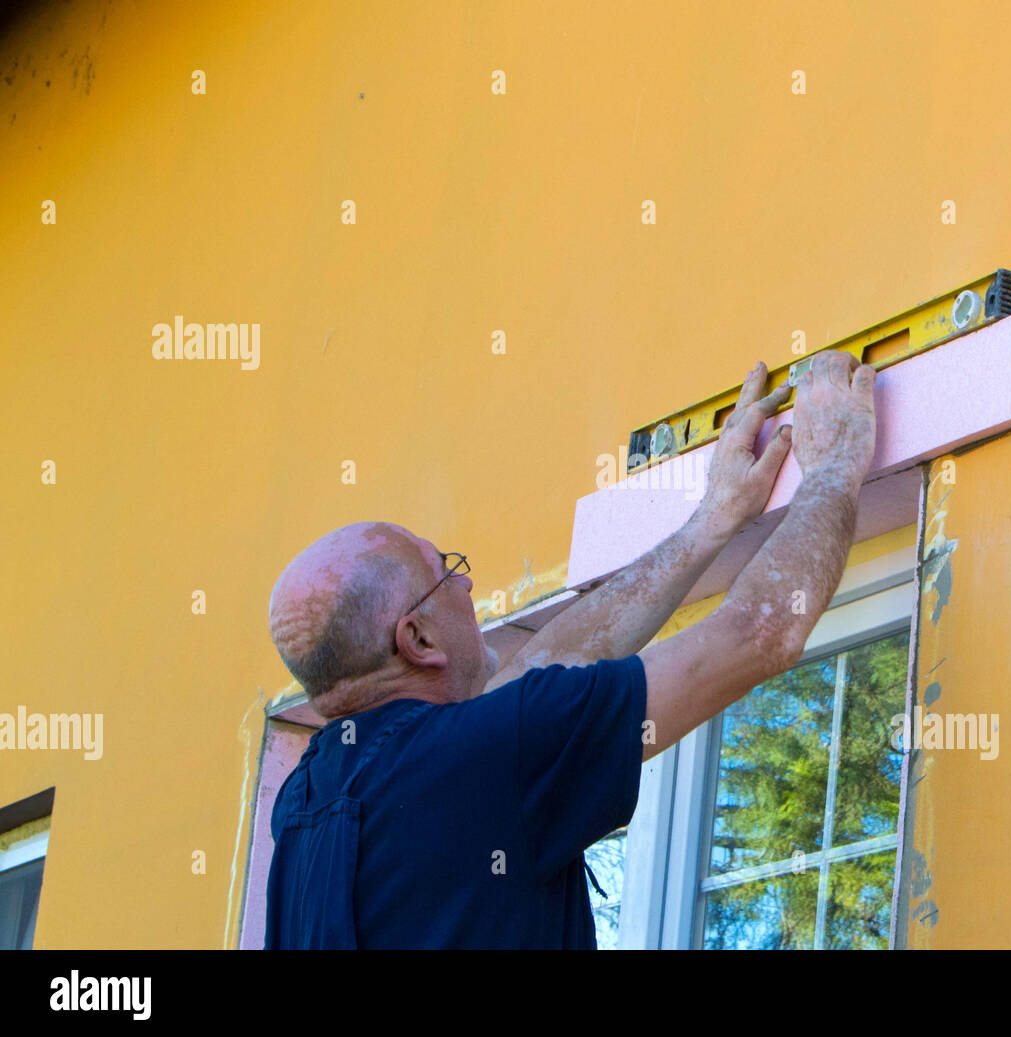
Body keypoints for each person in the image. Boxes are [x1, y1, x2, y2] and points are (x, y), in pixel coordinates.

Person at [263, 350, 877, 948]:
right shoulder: (488, 754)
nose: (468, 583)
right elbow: (757, 635)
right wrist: (832, 470)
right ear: (417, 639)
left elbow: (539, 669)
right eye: (445, 571)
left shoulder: (305, 802)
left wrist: (710, 522)